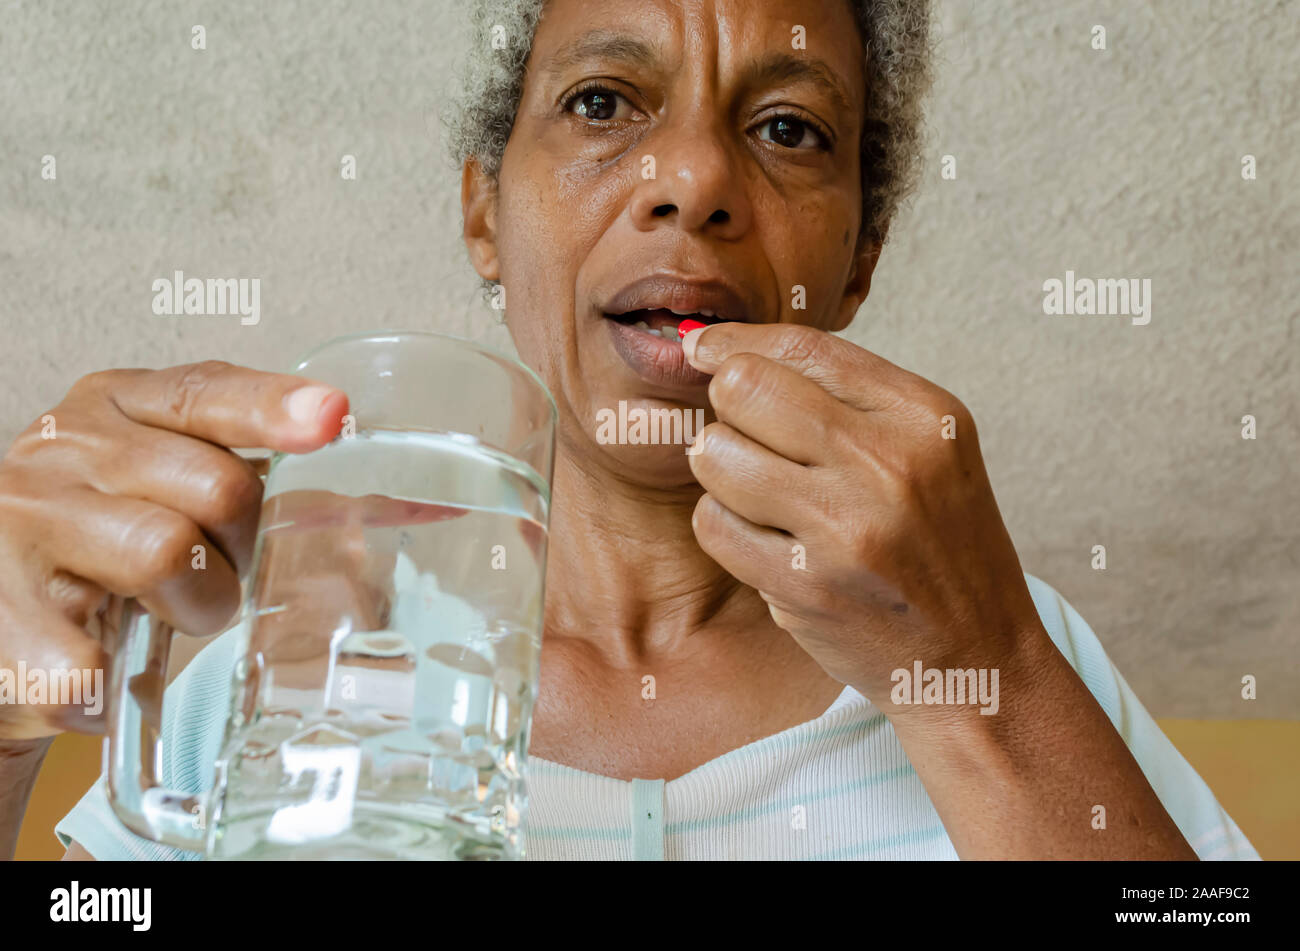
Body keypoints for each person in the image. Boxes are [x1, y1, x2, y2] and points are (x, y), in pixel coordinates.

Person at [0, 0, 1258, 860]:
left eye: (787, 131)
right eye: (604, 103)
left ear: (858, 257)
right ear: (486, 217)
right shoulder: (266, 661)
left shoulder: (1024, 649)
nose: (695, 181)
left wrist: (986, 686)